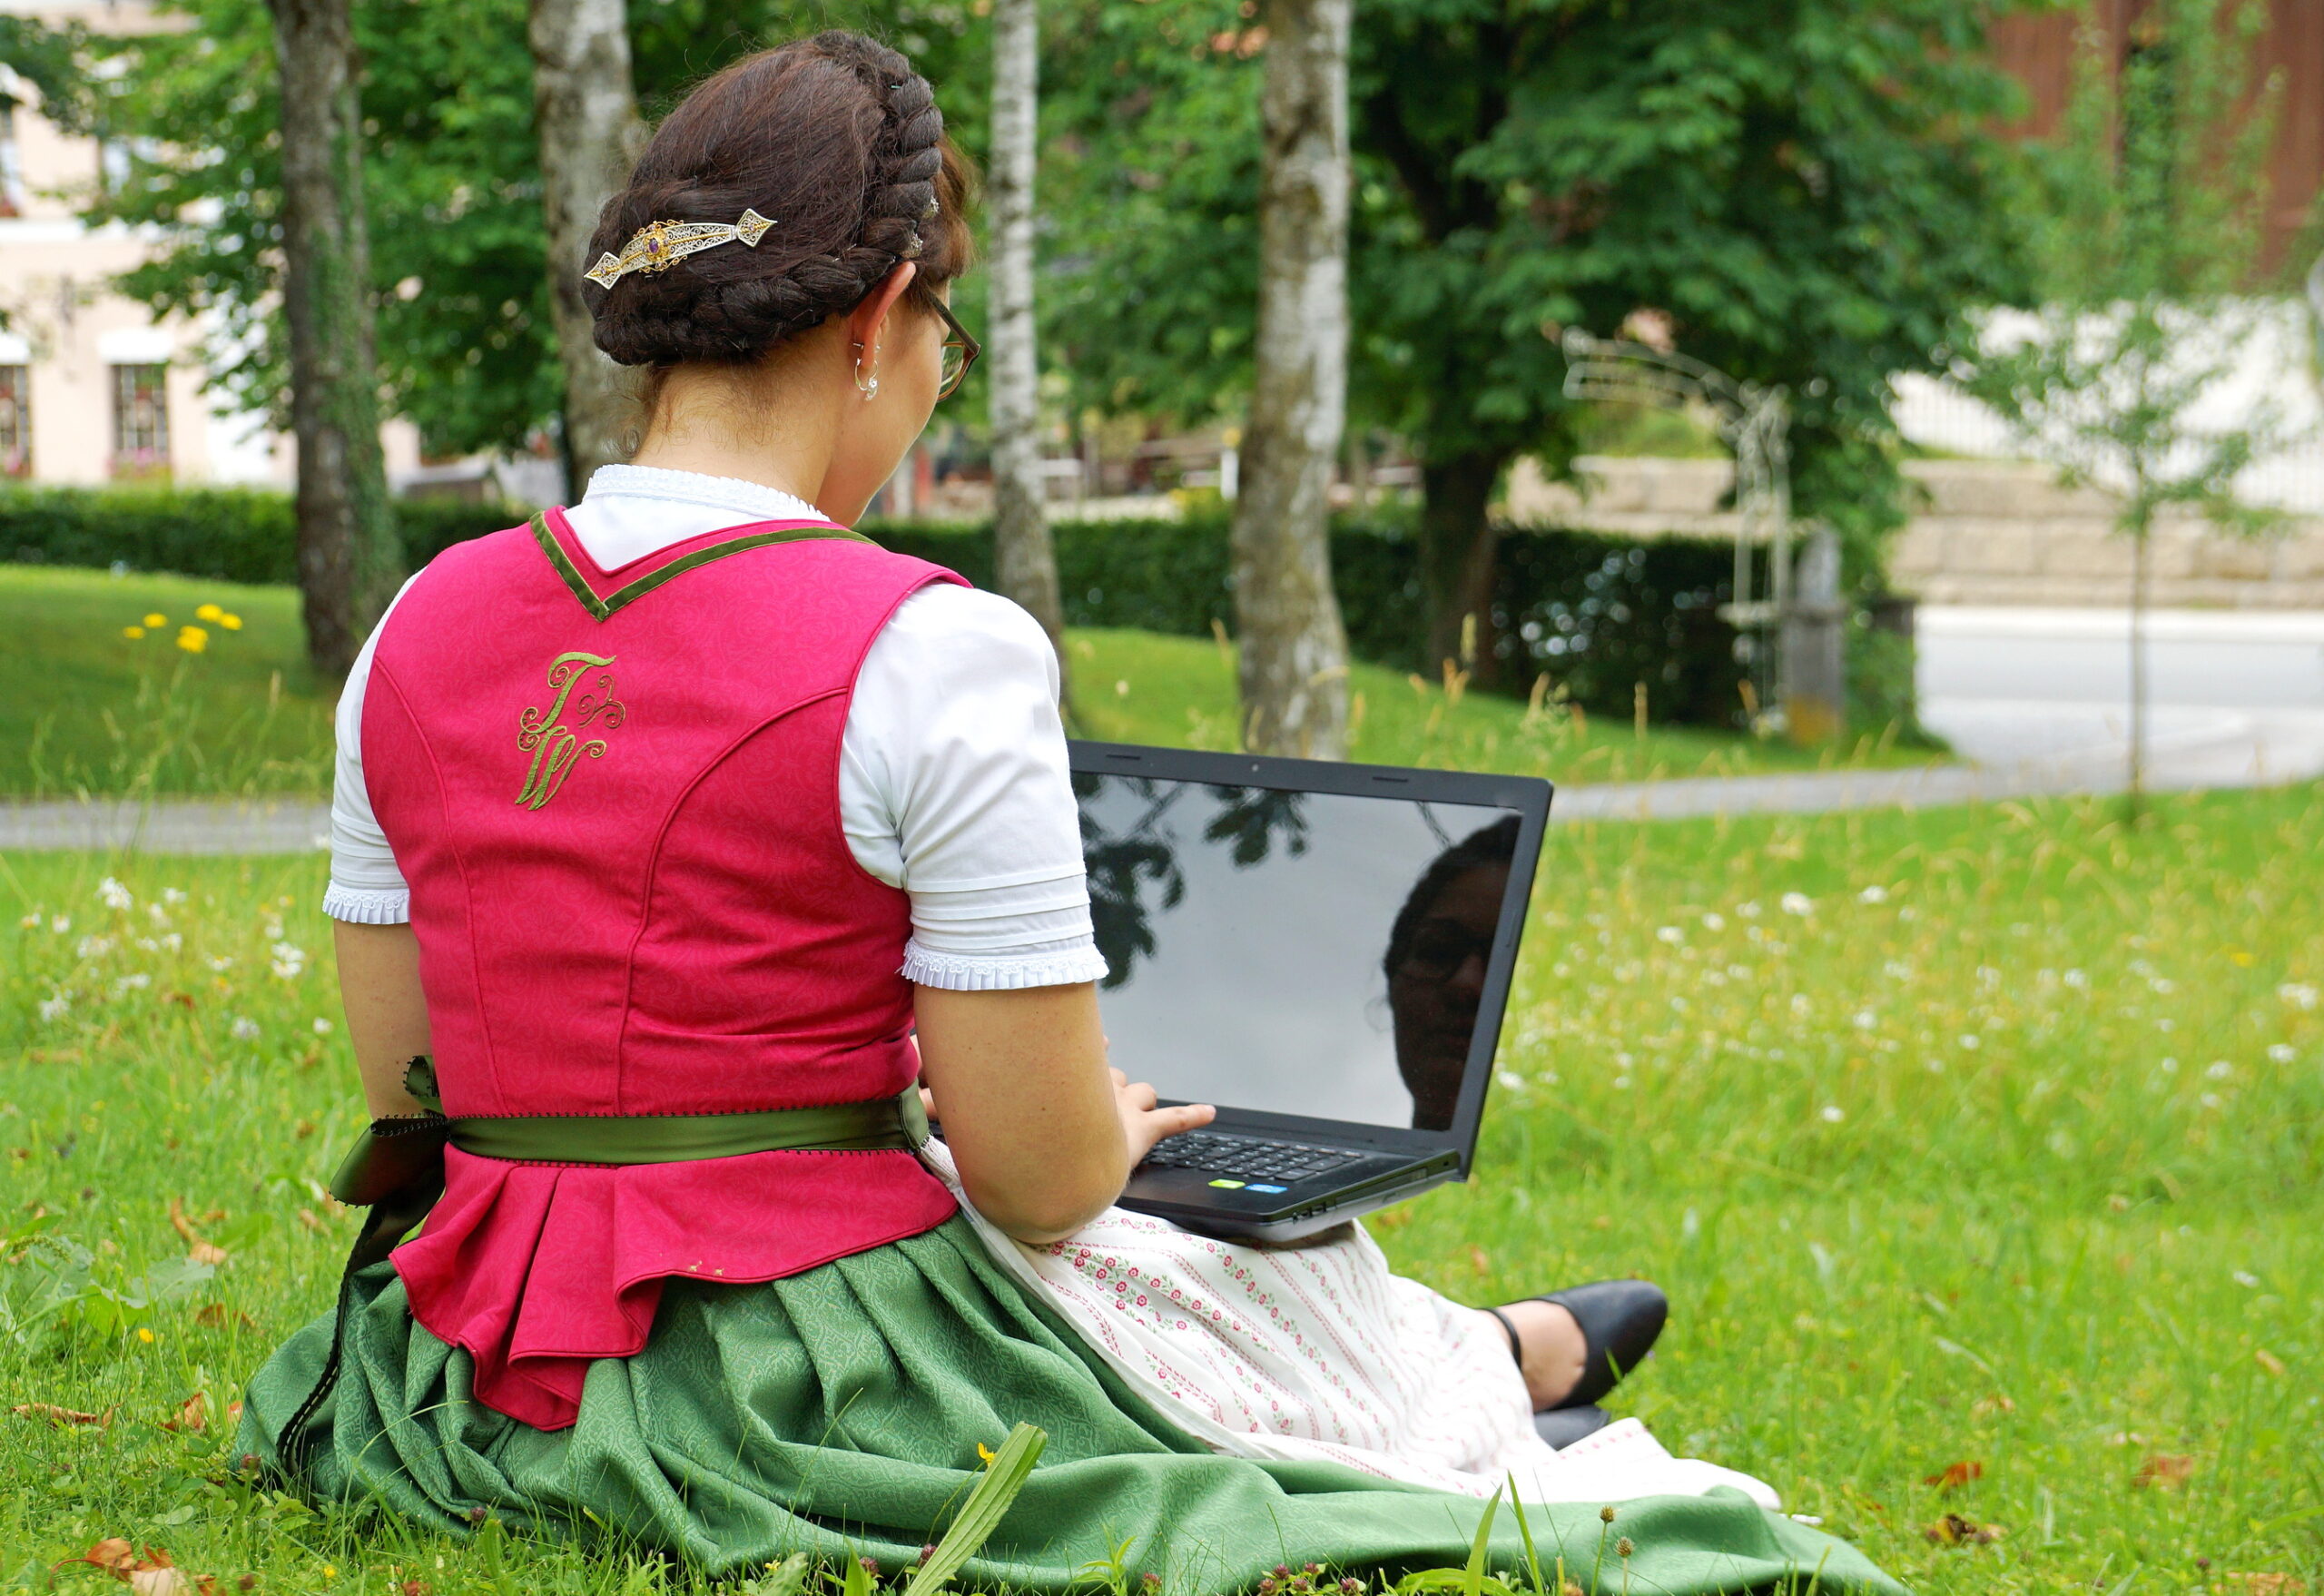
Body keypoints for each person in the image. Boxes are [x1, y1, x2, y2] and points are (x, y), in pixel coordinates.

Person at [233, 32, 1898, 1593]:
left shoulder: (415, 629)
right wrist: (1079, 1116)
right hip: (785, 1369)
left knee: (1199, 1240)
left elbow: (412, 1092)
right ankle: (1510, 1367)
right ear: (880, 317)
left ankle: (1518, 1344)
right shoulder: (927, 648)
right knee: (1208, 1241)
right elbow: (1038, 1185)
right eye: (945, 343)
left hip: (472, 1351)